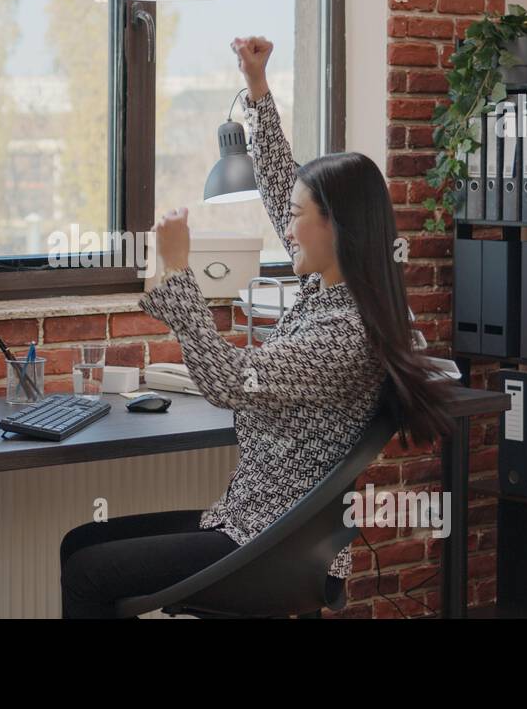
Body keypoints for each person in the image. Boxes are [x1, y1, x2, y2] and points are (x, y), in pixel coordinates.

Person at [58, 35, 453, 619]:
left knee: (90, 572)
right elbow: (280, 191)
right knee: (81, 543)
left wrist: (176, 270)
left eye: (297, 220)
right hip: (252, 522)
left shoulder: (346, 333)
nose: (286, 230)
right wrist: (258, 90)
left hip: (268, 546)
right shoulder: (340, 296)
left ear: (338, 228)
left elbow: (228, 382)